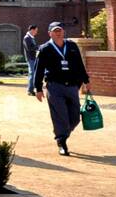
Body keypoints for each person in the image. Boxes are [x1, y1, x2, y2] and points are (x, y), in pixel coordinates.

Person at [33, 21, 91, 156]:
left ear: (63, 32)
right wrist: (38, 88)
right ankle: (61, 142)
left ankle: (62, 134)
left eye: (60, 30)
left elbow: (79, 65)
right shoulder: (45, 48)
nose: (58, 33)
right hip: (54, 86)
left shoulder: (71, 46)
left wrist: (86, 80)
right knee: (60, 116)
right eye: (55, 31)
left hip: (72, 86)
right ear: (50, 33)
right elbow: (39, 70)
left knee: (75, 117)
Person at [22, 23, 40, 95]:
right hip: (30, 58)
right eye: (36, 30)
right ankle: (30, 90)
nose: (36, 32)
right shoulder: (27, 38)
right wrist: (39, 47)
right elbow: (30, 48)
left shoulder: (31, 37)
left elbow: (33, 47)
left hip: (33, 58)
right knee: (32, 73)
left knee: (33, 73)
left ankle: (31, 89)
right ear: (32, 30)